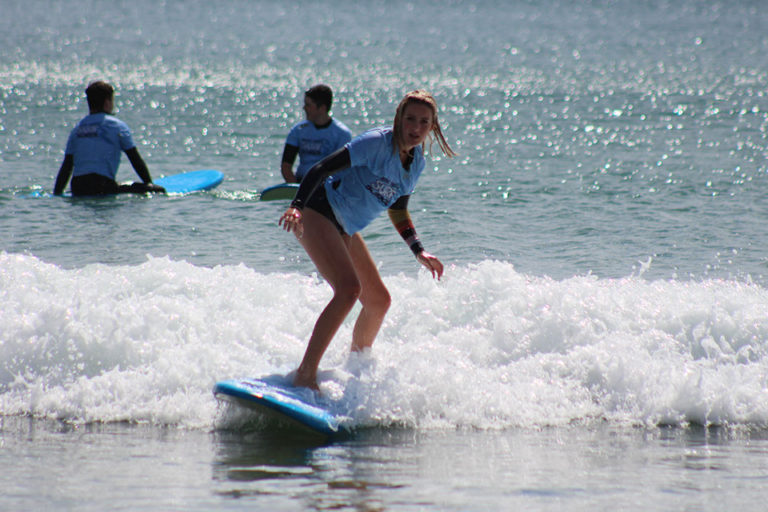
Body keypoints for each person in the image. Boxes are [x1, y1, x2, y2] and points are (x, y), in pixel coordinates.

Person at [278, 89, 456, 390]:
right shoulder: (376, 143)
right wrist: (296, 206)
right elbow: (321, 169)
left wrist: (419, 251)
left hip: (345, 226)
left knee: (378, 301)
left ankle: (356, 370)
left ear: (432, 126)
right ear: (399, 119)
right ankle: (305, 375)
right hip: (318, 210)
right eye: (410, 119)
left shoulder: (416, 164)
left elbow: (398, 209)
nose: (416, 127)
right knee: (349, 290)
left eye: (424, 122)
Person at [53, 80, 165, 196]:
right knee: (155, 191)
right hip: (103, 185)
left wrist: (57, 192)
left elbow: (67, 166)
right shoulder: (117, 126)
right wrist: (149, 184)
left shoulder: (77, 129)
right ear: (107, 102)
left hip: (78, 187)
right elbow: (134, 158)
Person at [280, 84, 352, 184]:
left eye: (308, 105)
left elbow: (343, 171)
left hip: (328, 186)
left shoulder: (342, 133)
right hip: (301, 182)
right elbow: (286, 166)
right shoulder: (298, 130)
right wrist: (296, 188)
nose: (304, 108)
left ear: (322, 108)